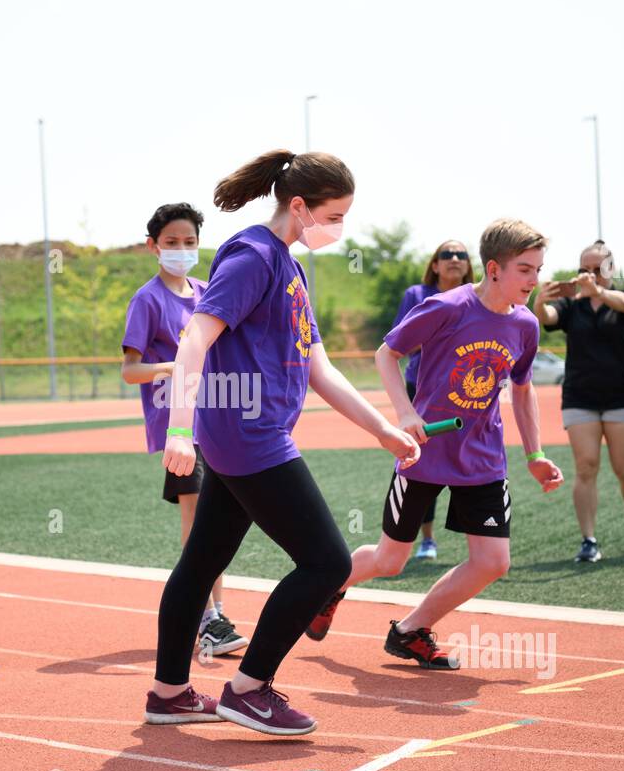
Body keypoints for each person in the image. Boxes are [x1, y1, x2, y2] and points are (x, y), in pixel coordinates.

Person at [143, 149, 419, 736]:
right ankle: (248, 689)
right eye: (334, 216)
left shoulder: (288, 268)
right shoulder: (252, 256)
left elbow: (319, 369)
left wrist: (384, 429)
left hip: (245, 436)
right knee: (327, 563)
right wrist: (181, 429)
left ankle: (168, 693)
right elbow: (194, 339)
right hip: (248, 437)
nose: (339, 229)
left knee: (201, 563)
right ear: (299, 206)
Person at [306, 219, 564, 667]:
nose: (534, 280)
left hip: (483, 458)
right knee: (390, 560)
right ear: (494, 268)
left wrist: (535, 455)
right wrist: (405, 414)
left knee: (492, 561)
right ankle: (331, 585)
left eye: (538, 269)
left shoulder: (525, 325)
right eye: (525, 269)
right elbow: (387, 353)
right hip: (423, 454)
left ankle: (410, 630)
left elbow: (522, 389)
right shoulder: (448, 307)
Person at [121, 202, 248, 657]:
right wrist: (174, 367)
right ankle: (206, 618)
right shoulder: (147, 299)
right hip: (177, 427)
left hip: (215, 419)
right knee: (197, 520)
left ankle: (216, 614)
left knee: (216, 520)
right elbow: (130, 371)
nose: (181, 250)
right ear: (153, 246)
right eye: (171, 243)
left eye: (189, 242)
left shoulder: (206, 290)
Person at [532, 240, 624, 561]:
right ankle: (589, 539)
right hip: (580, 395)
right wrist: (540, 302)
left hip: (622, 396)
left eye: (597, 269)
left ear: (611, 269)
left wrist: (597, 290)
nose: (590, 275)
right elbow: (548, 318)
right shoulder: (575, 307)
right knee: (585, 467)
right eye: (584, 269)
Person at [392, 240, 476, 560]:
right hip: (422, 393)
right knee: (418, 461)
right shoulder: (417, 295)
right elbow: (402, 340)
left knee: (465, 460)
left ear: (469, 265)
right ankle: (424, 539)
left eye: (461, 255)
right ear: (436, 265)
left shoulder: (479, 299)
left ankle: (478, 539)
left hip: (465, 395)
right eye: (447, 255)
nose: (454, 259)